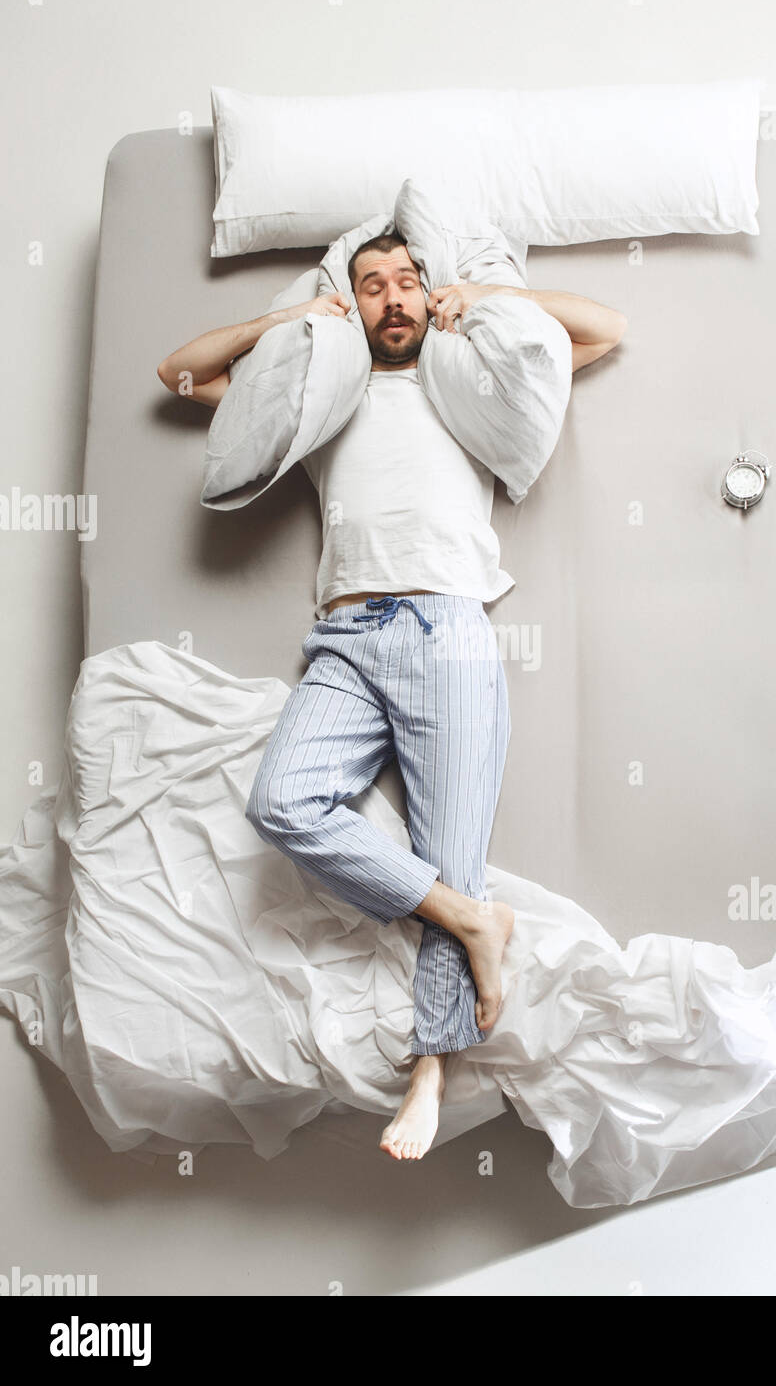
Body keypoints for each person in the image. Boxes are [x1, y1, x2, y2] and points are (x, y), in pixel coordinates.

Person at [157, 235, 626, 1160]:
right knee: (283, 801)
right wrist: (296, 319)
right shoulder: (319, 402)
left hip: (446, 630)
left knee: (449, 847)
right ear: (354, 306)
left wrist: (473, 297)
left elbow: (603, 332)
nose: (393, 298)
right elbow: (179, 374)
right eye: (372, 286)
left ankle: (431, 1070)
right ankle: (468, 916)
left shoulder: (472, 391)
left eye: (406, 282)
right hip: (343, 638)